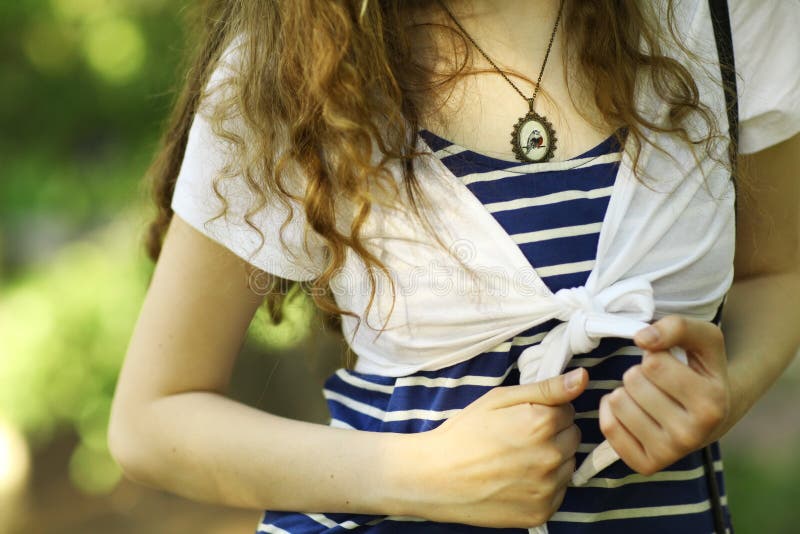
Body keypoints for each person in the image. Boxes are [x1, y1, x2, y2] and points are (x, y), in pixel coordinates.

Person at [108, 1, 800, 532]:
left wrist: (725, 393)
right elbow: (151, 419)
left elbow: (779, 272)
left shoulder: (722, 16)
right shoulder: (294, 56)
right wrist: (418, 473)